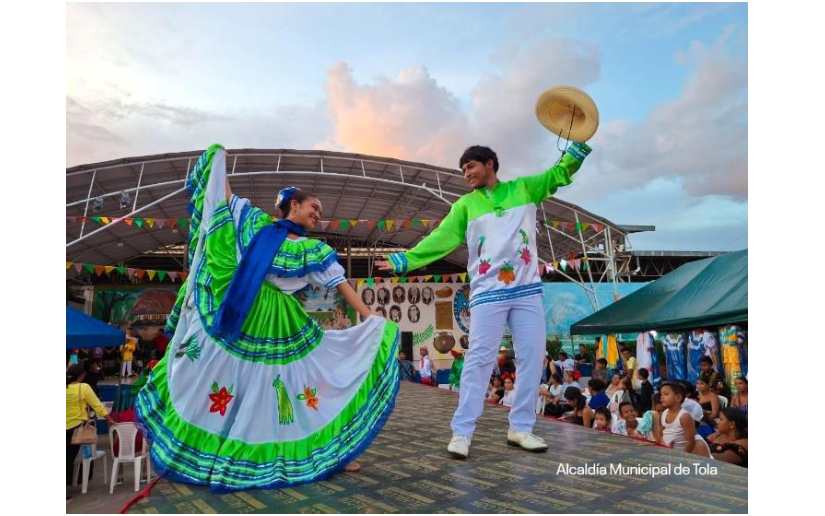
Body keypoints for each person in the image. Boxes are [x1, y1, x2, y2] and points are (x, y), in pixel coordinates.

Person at [134, 145, 399, 490]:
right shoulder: (256, 223)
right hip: (242, 310)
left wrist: (369, 316)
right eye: (314, 208)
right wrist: (217, 159)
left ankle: (334, 453)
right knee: (224, 376)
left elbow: (340, 284)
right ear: (295, 205)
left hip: (280, 321)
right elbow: (225, 197)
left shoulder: (312, 250)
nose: (319, 214)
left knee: (294, 387)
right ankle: (212, 447)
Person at [377, 142, 592, 458]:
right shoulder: (465, 205)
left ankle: (521, 428)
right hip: (487, 292)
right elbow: (442, 238)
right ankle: (461, 433)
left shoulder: (524, 188)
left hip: (527, 290)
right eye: (463, 170)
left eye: (470, 167)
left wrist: (576, 151)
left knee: (533, 358)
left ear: (490, 164)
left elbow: (558, 174)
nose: (466, 174)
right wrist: (405, 261)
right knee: (478, 360)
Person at [67, 364, 115, 500]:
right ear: (81, 375)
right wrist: (109, 418)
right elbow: (97, 405)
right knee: (69, 458)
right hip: (76, 428)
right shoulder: (83, 388)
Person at [653, 382, 710, 457]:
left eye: (666, 394)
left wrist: (682, 457)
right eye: (661, 394)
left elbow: (691, 442)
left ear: (678, 398)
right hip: (669, 452)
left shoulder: (684, 416)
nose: (662, 397)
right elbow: (661, 435)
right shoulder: (663, 414)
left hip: (682, 456)